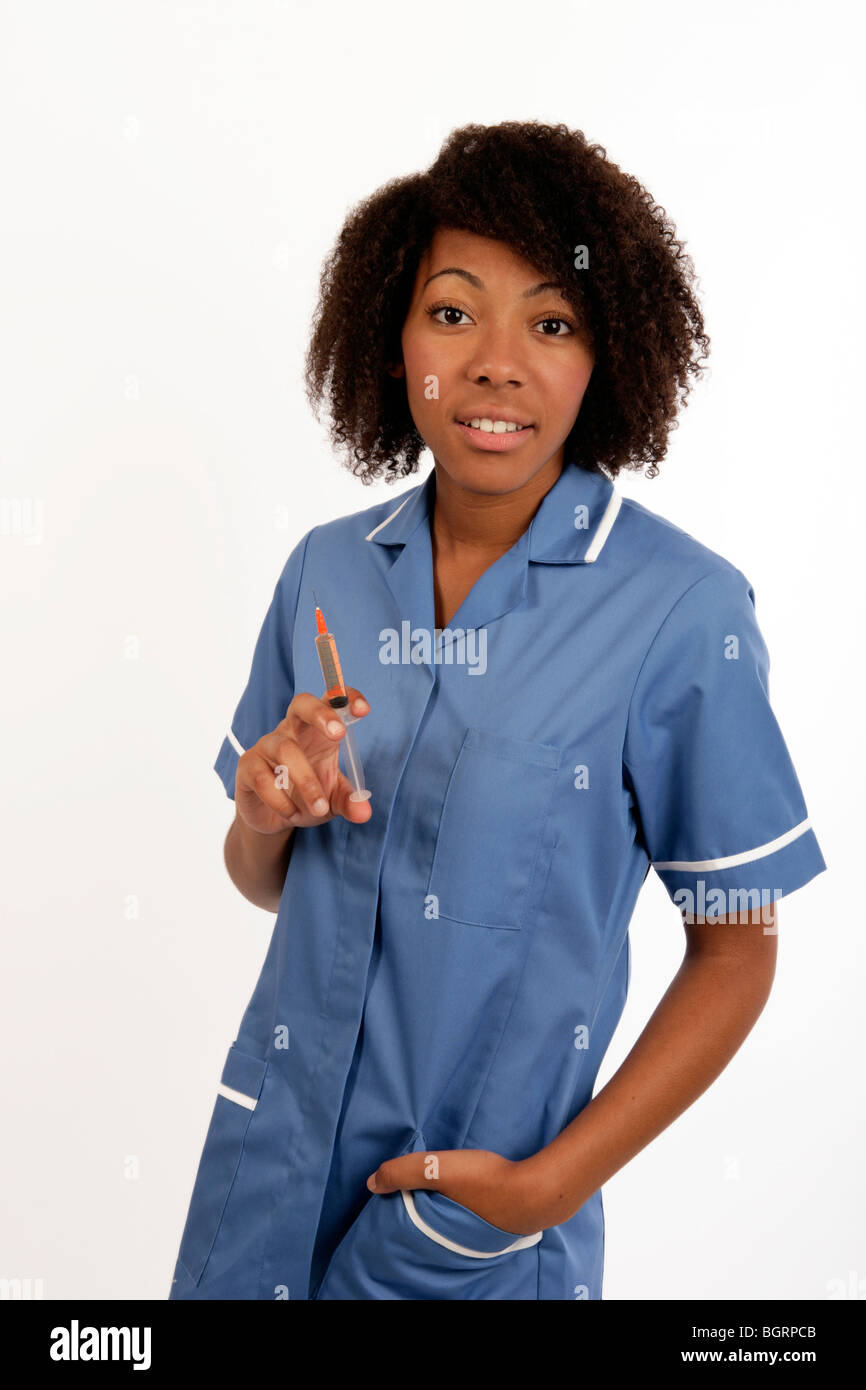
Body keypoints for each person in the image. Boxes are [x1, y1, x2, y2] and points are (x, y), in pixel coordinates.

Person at [169, 121, 826, 1301]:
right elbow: (265, 876)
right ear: (393, 338)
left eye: (553, 322)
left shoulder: (679, 610)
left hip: (466, 1240)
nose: (496, 364)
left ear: (606, 358)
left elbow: (737, 944)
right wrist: (268, 805)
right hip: (260, 1189)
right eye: (454, 312)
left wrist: (547, 1187)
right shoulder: (326, 571)